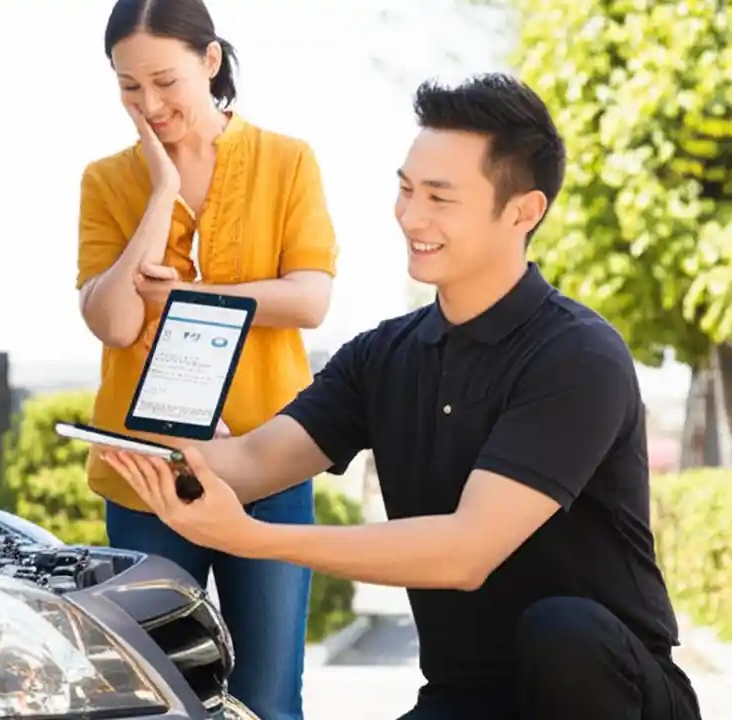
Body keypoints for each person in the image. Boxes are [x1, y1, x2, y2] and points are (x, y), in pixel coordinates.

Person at [99, 73, 704, 720]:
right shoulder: (383, 355)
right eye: (406, 189)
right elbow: (249, 464)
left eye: (440, 198)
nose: (411, 216)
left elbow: (466, 552)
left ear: (524, 212)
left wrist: (253, 539)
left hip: (605, 694)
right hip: (468, 697)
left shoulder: (577, 356)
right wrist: (170, 448)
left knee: (564, 633)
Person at [74, 0, 338, 716]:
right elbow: (115, 321)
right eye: (129, 87)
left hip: (271, 462)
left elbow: (310, 299)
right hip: (147, 477)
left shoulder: (287, 161)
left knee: (269, 700)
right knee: (154, 700)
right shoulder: (108, 181)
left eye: (165, 81)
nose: (149, 103)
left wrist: (195, 293)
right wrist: (161, 190)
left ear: (210, 61)